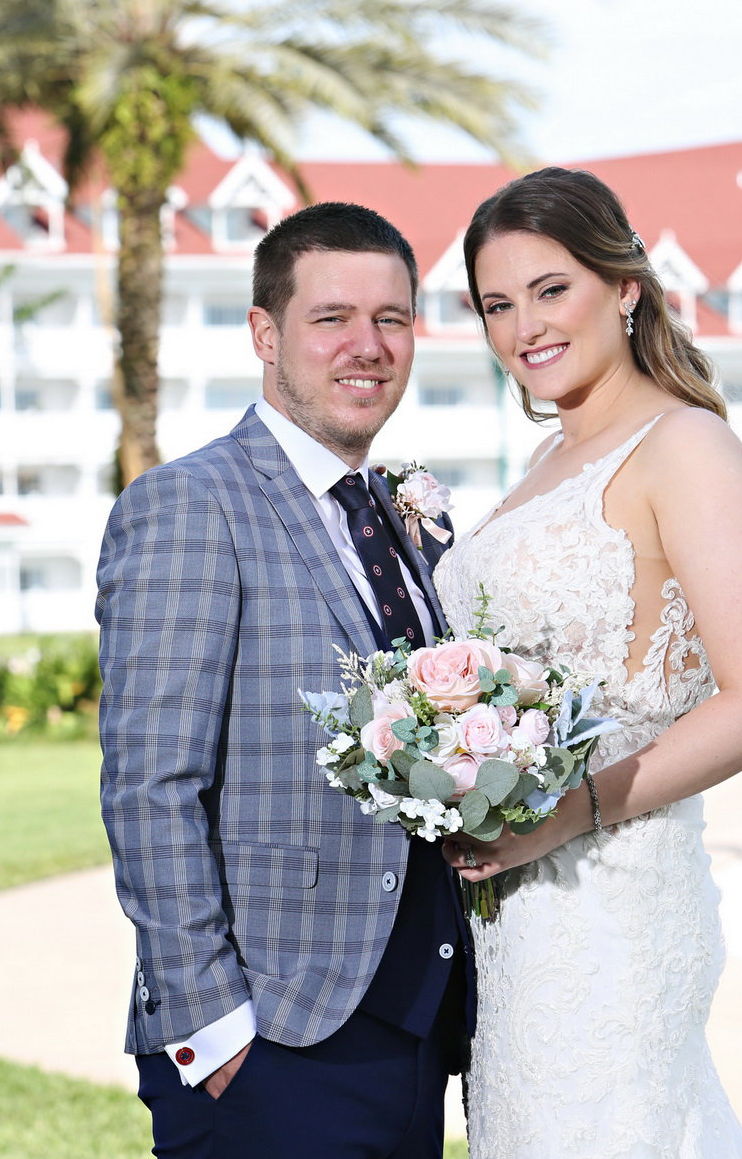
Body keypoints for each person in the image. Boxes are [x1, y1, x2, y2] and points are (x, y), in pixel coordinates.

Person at [434, 167, 742, 1158]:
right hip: (511, 924)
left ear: (625, 287)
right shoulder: (546, 464)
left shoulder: (684, 447)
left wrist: (568, 811)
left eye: (551, 290)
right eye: (497, 305)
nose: (523, 328)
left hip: (611, 908)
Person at [98, 202, 471, 1158]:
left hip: (414, 1034)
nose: (369, 345)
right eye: (332, 317)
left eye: (392, 318)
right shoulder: (188, 506)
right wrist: (209, 1020)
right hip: (269, 1041)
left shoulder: (403, 515)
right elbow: (150, 786)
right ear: (265, 333)